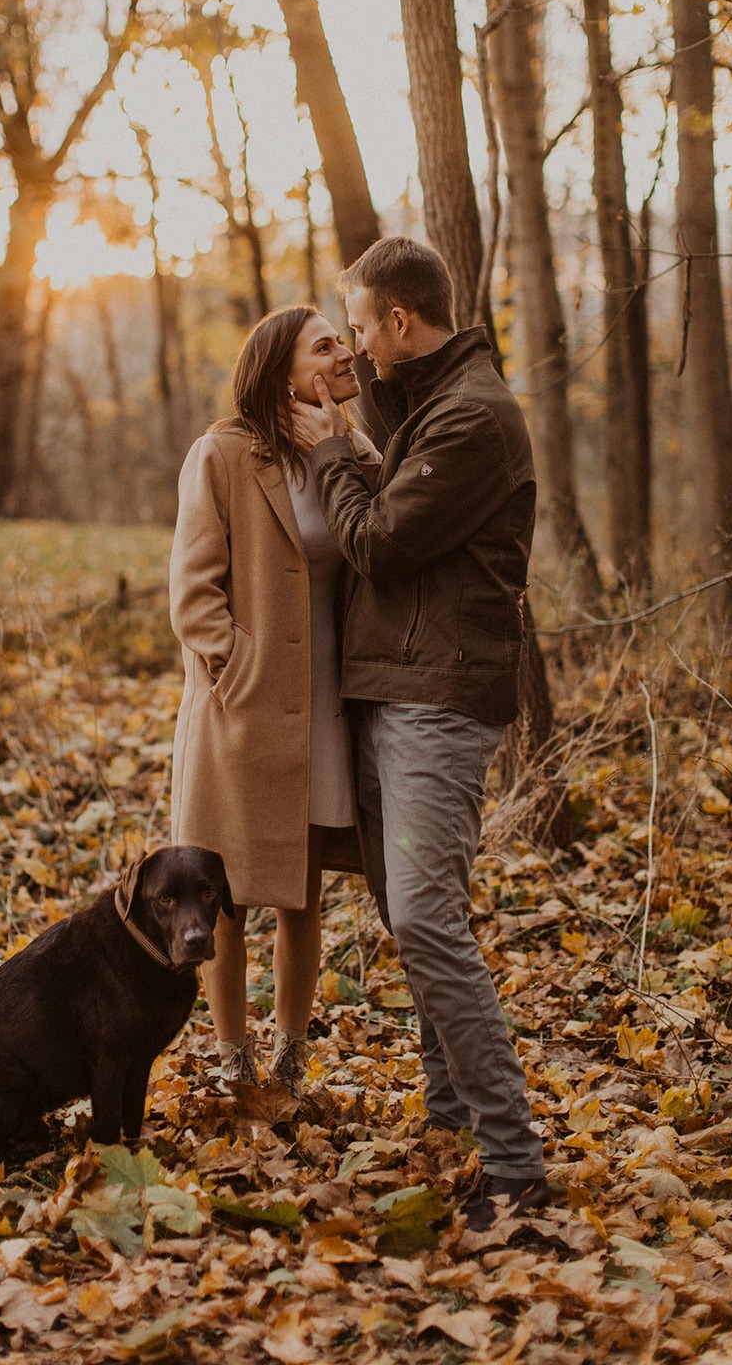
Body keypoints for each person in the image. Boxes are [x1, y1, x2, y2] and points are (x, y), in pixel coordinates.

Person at [290, 236, 550, 1230]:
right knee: (412, 919)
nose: (352, 347)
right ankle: (446, 1119)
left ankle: (514, 1164)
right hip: (398, 689)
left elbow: (380, 540)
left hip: (436, 700)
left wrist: (323, 453)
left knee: (430, 923)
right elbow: (390, 449)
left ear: (401, 321)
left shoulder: (473, 420)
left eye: (360, 326)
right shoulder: (438, 400)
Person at [169, 305, 377, 1097]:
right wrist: (236, 669)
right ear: (281, 370)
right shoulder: (220, 454)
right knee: (225, 895)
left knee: (301, 889)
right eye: (323, 345)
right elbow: (192, 593)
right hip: (244, 709)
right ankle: (230, 1057)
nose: (343, 352)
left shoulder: (351, 447)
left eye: (344, 339)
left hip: (328, 703)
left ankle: (290, 1052)